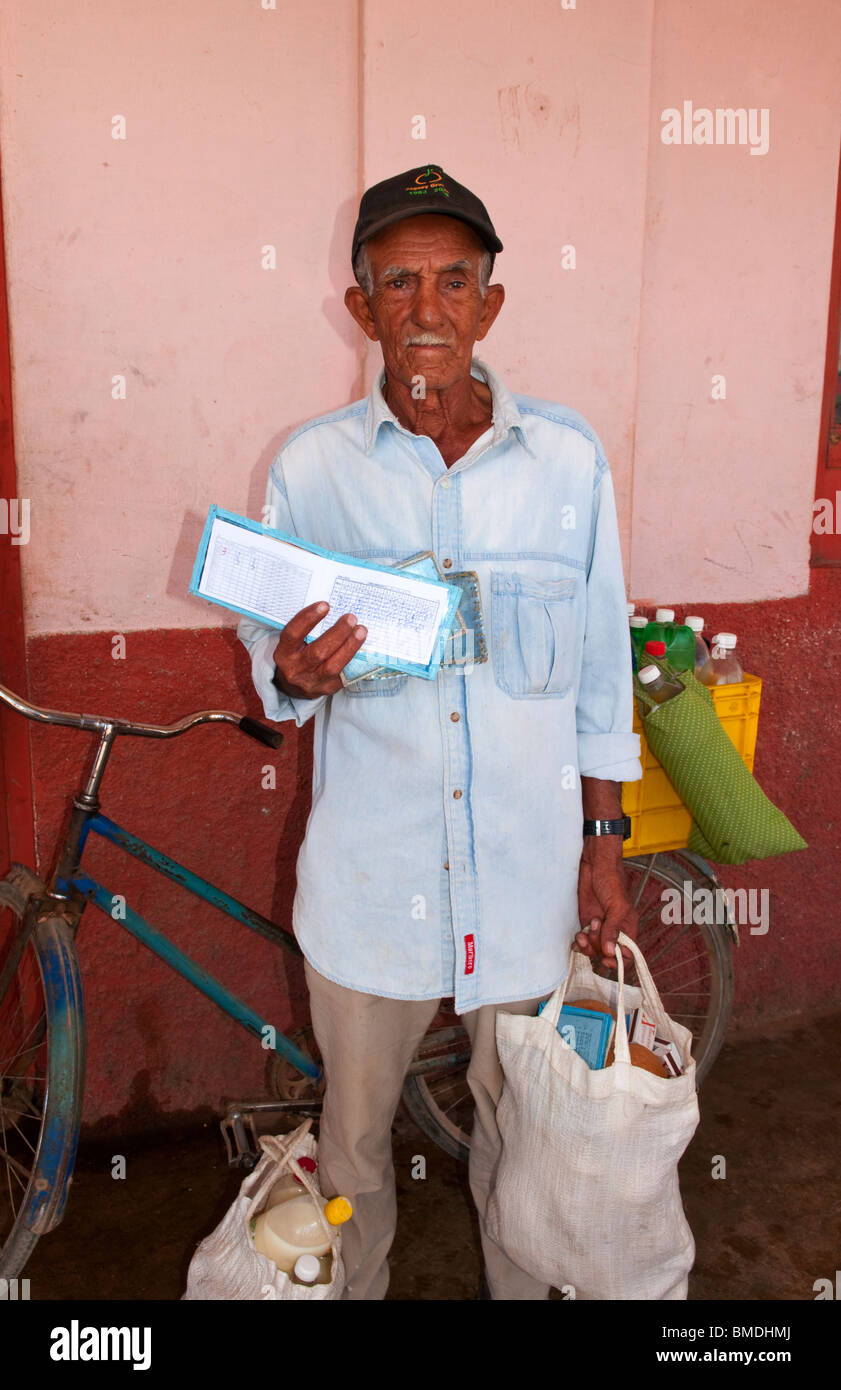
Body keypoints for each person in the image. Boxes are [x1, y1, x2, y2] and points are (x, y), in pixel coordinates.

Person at [237, 163, 643, 1300]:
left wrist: (603, 838)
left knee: (529, 1149)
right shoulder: (310, 468)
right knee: (354, 1150)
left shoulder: (567, 463)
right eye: (398, 283)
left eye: (452, 281)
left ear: (490, 305)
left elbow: (601, 673)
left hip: (522, 889)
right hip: (373, 888)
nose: (427, 308)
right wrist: (290, 671)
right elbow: (273, 677)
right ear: (360, 309)